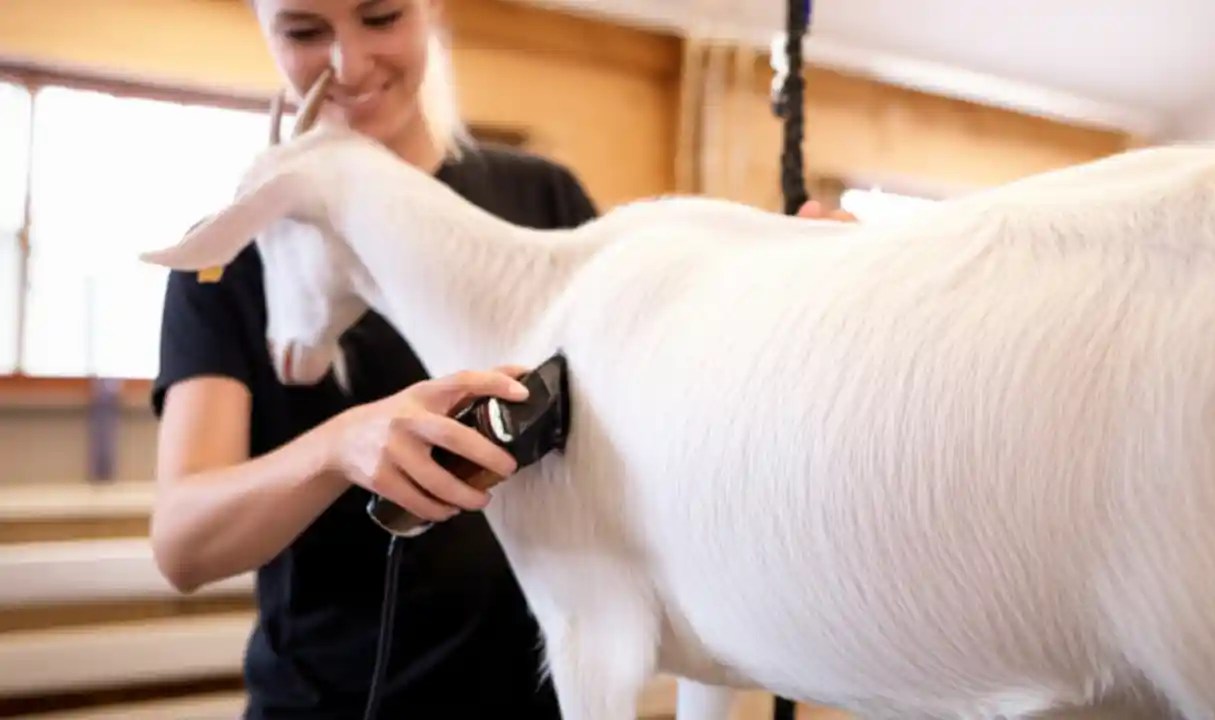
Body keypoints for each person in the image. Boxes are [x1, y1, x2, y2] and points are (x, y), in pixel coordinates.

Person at [150, 1, 856, 718]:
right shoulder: (233, 259)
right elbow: (183, 544)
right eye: (305, 32)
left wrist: (790, 295)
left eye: (382, 17)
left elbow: (662, 410)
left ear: (430, 12)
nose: (349, 64)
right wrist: (340, 447)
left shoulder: (542, 201)